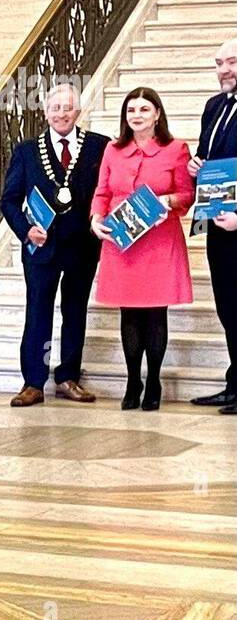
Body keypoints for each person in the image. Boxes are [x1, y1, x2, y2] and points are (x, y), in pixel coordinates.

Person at [0, 83, 109, 406]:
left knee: (75, 311)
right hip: (40, 248)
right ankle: (33, 382)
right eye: (55, 108)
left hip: (82, 246)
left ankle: (68, 377)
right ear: (46, 112)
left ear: (79, 111)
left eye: (67, 108)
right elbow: (8, 201)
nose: (61, 114)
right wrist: (26, 230)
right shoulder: (27, 151)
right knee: (38, 312)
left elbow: (108, 189)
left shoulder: (99, 147)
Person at [90, 87, 196, 411]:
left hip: (159, 241)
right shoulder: (113, 149)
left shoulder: (176, 149)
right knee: (129, 314)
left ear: (157, 114)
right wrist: (96, 218)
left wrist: (167, 200)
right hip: (122, 241)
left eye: (144, 109)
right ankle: (133, 379)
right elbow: (102, 191)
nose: (136, 115)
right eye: (131, 110)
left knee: (155, 313)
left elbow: (187, 194)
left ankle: (154, 381)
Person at [187, 38, 237, 413]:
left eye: (232, 62)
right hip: (216, 221)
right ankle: (234, 384)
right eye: (219, 63)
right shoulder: (214, 106)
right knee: (228, 307)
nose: (224, 70)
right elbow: (210, 158)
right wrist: (195, 168)